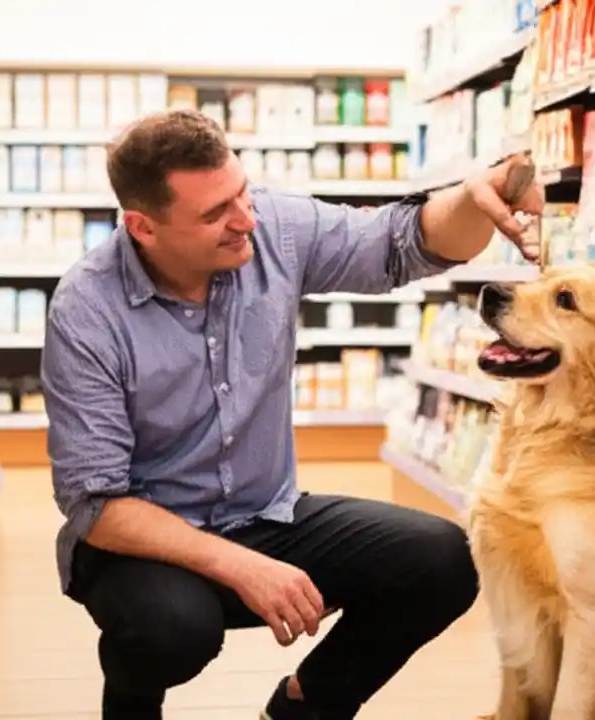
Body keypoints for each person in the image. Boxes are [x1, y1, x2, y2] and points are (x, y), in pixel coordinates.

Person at [41, 109, 543, 720]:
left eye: (242, 193)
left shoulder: (272, 229)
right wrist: (244, 567)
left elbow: (398, 243)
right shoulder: (87, 309)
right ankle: (130, 699)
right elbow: (95, 503)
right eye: (214, 214)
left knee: (441, 561)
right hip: (144, 543)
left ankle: (302, 709)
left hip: (263, 512)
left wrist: (475, 194)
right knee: (171, 633)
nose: (245, 220)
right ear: (144, 228)